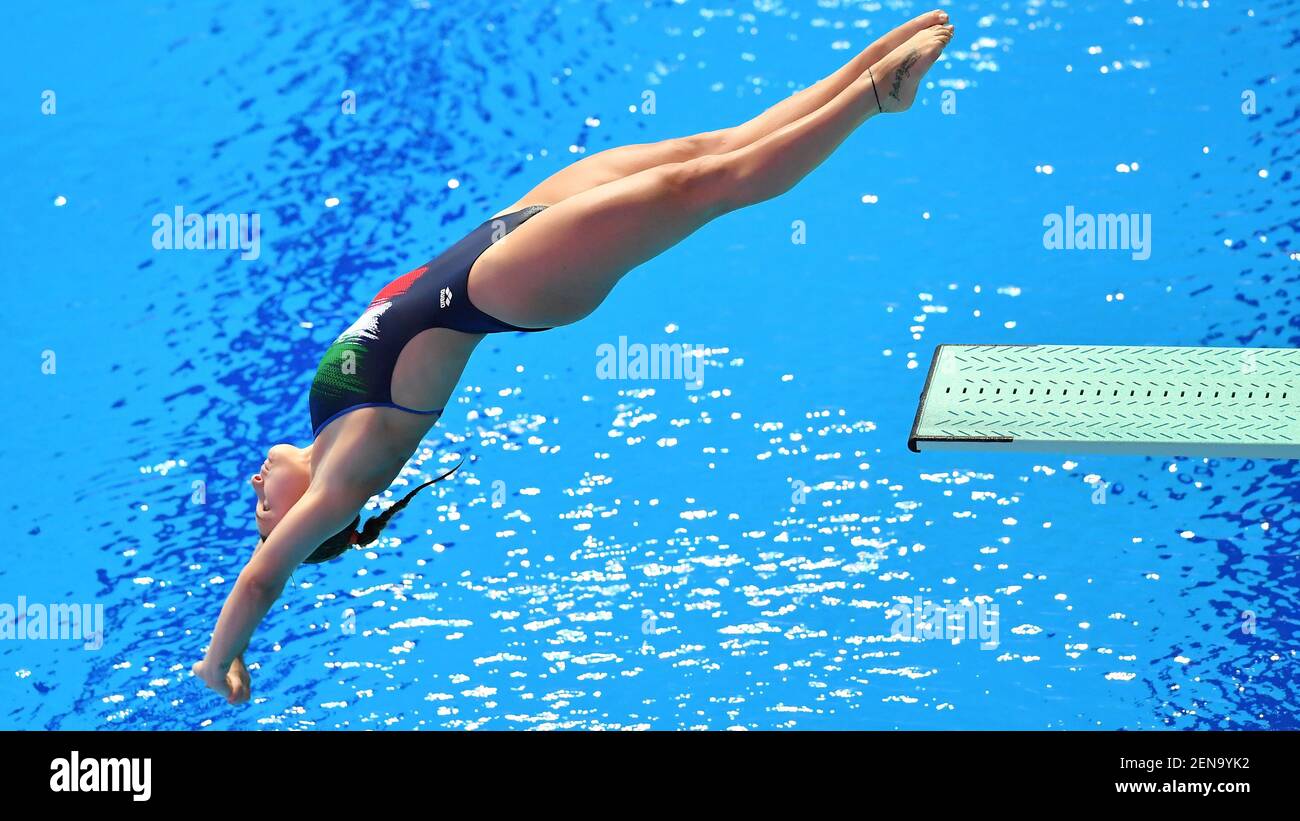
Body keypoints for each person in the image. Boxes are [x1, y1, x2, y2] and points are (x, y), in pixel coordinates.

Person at [194, 12, 955, 703]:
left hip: (499, 236)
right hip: (511, 286)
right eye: (263, 515)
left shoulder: (323, 421)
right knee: (705, 185)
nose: (256, 489)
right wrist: (220, 658)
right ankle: (875, 100)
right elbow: (263, 581)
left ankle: (866, 68)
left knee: (706, 147)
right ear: (305, 525)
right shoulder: (341, 480)